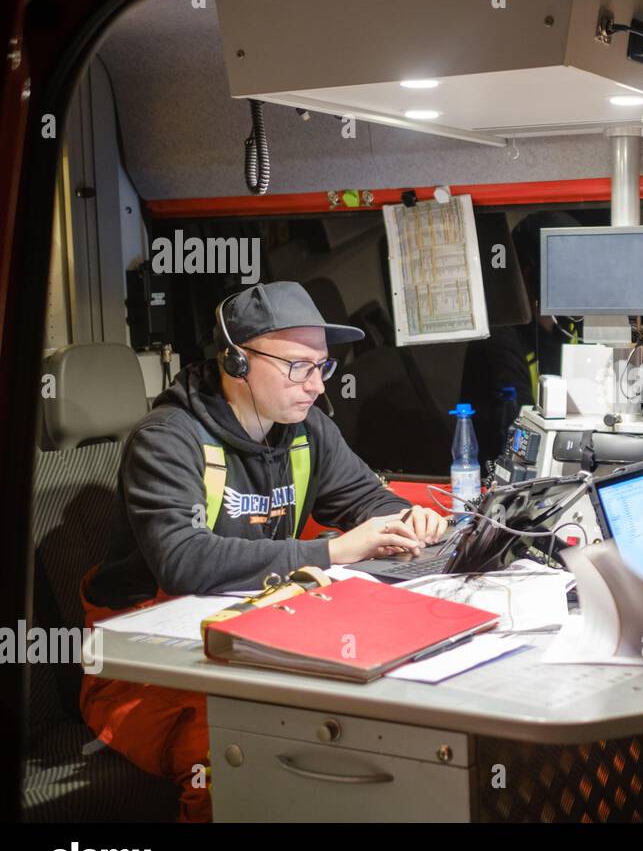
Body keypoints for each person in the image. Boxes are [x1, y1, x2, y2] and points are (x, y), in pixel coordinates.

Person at [81, 282, 448, 821]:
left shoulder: (306, 430)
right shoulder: (166, 440)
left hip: (254, 637)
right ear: (236, 359)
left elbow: (371, 500)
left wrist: (410, 518)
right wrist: (332, 553)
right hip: (148, 670)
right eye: (299, 366)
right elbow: (184, 562)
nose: (317, 386)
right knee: (241, 759)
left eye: (323, 367)